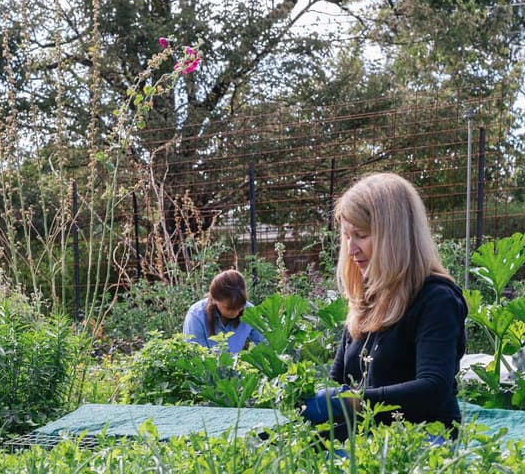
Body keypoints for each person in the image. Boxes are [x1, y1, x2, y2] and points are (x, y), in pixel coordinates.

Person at [302, 172, 467, 441]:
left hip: (422, 435)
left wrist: (349, 401)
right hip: (368, 430)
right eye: (346, 236)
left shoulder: (436, 299)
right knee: (272, 445)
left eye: (361, 235)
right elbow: (338, 378)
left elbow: (433, 388)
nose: (351, 248)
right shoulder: (367, 294)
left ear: (395, 236)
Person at [183, 269, 266, 354]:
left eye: (240, 307)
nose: (236, 312)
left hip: (235, 366)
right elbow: (195, 355)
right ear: (214, 300)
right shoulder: (196, 316)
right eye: (230, 308)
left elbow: (266, 343)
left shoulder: (250, 312)